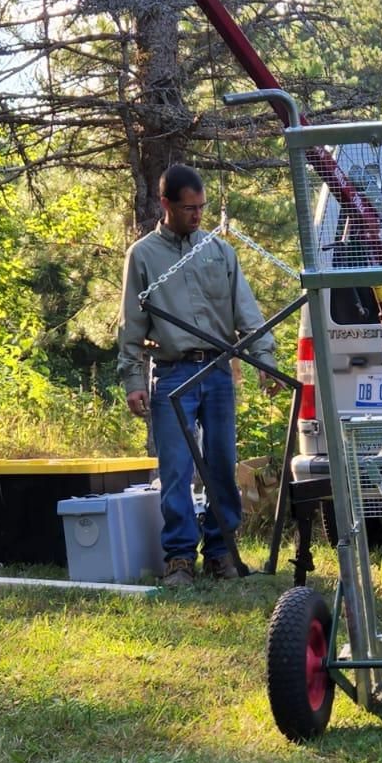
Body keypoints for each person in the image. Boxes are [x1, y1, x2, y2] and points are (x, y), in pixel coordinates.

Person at [118, 164, 278, 587]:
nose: (197, 215)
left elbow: (246, 310)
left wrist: (265, 361)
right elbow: (131, 324)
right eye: (189, 208)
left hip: (219, 369)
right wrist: (133, 381)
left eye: (202, 207)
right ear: (166, 204)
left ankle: (221, 552)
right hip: (172, 372)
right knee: (176, 468)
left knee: (222, 464)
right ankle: (179, 558)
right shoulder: (143, 255)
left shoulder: (219, 251)